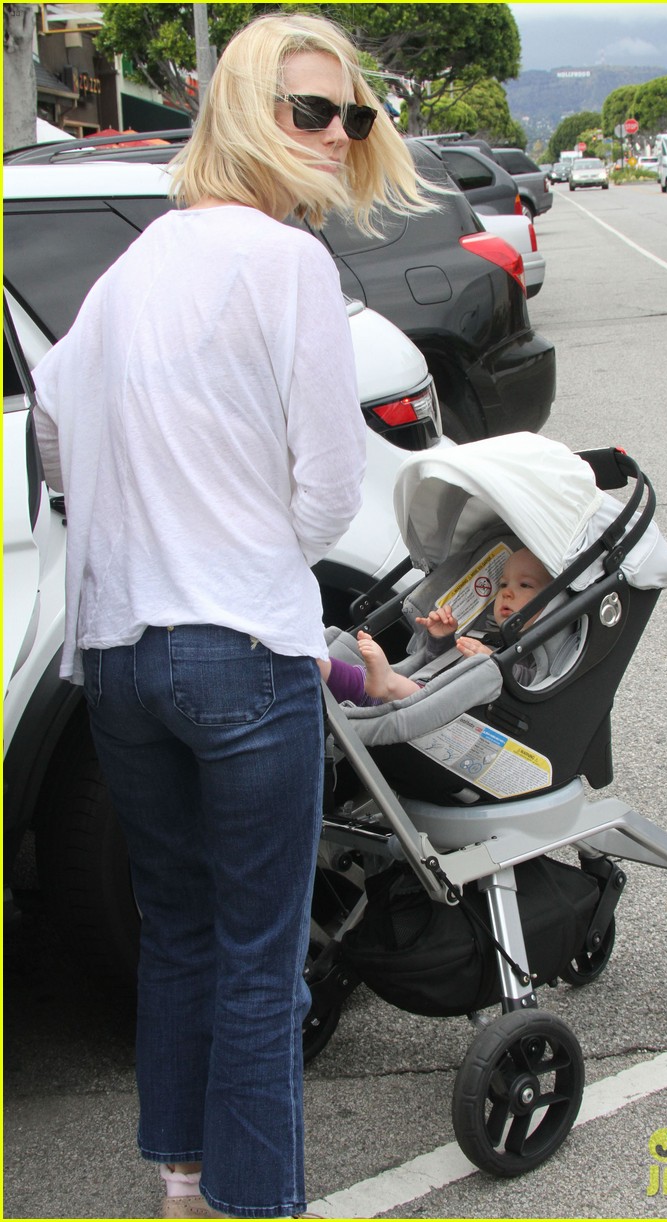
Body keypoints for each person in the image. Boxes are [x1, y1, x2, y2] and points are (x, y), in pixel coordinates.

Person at [31, 12, 432, 1220]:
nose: (333, 133)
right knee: (260, 961)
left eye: (351, 116)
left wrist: (152, 503)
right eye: (309, 110)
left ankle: (184, 1182)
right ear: (246, 111)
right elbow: (325, 491)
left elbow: (53, 431)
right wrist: (242, 533)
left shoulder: (129, 270)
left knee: (182, 936)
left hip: (116, 658)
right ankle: (258, 1206)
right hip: (240, 654)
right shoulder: (284, 260)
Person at [319, 548, 553, 704]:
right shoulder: (487, 636)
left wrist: (494, 663)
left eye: (525, 585)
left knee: (384, 687)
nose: (508, 593)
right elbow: (437, 663)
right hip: (425, 687)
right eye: (502, 584)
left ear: (554, 600)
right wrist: (441, 640)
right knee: (348, 671)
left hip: (446, 707)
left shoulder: (532, 654)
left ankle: (353, 677)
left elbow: (528, 684)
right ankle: (318, 665)